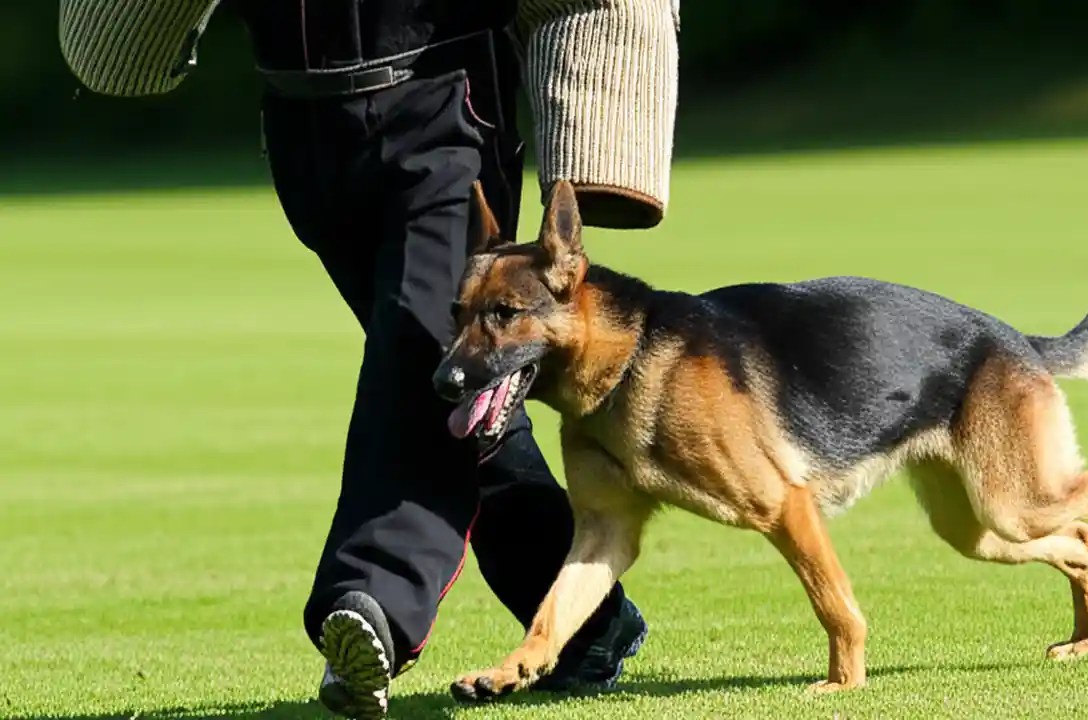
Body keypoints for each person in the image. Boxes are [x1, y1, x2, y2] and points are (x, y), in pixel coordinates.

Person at [57, 0, 680, 717]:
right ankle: (591, 628)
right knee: (461, 392)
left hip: (444, 111)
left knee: (421, 369)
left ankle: (373, 602)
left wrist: (594, 130)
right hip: (304, 132)